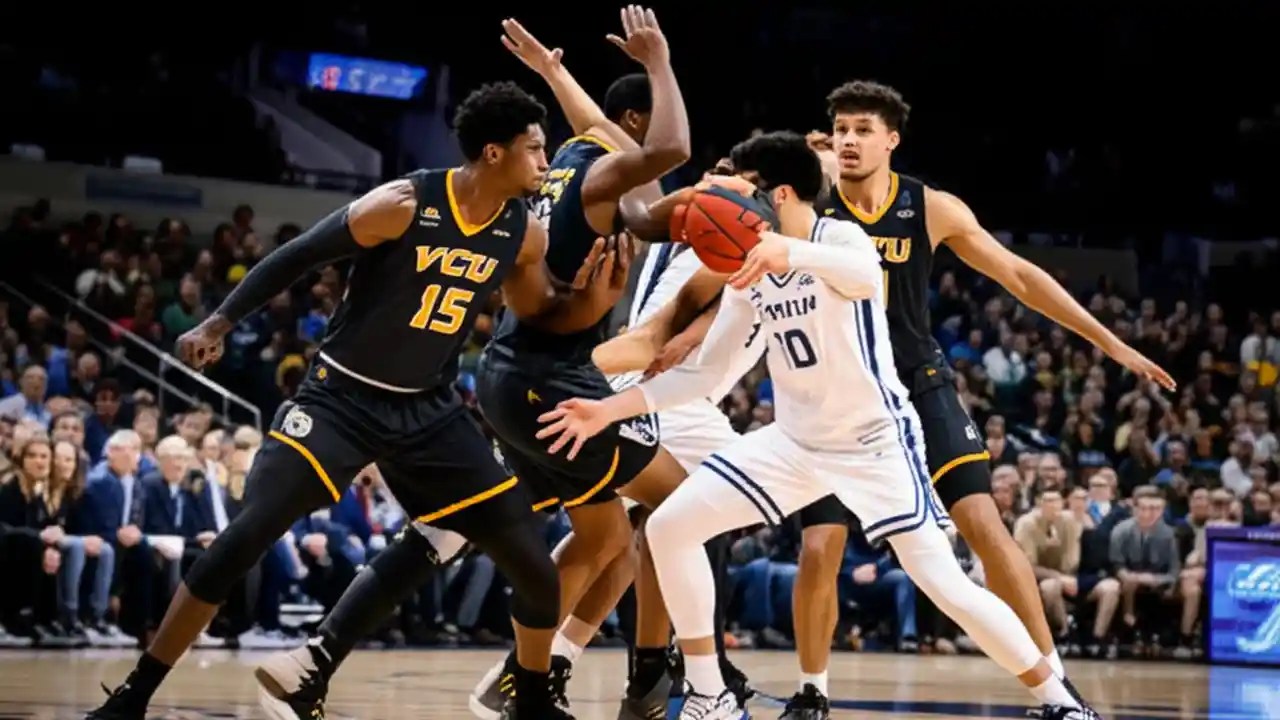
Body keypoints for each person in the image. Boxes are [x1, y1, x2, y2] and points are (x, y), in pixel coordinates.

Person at [604, 80, 1175, 718]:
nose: (846, 142)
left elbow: (1015, 274)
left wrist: (1109, 342)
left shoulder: (911, 212)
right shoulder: (800, 206)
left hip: (902, 391)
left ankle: (1058, 692)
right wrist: (657, 354)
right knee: (808, 543)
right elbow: (727, 288)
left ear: (892, 140)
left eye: (860, 131)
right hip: (809, 407)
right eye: (838, 131)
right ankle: (806, 690)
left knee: (975, 533)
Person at [87, 80, 627, 720]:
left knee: (533, 562)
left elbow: (540, 309)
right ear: (492, 153)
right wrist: (218, 323)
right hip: (340, 398)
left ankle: (530, 702)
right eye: (535, 150)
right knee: (245, 536)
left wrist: (593, 303)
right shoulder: (402, 203)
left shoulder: (523, 232)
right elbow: (298, 256)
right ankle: (135, 695)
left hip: (428, 410)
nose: (546, 163)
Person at [470, 8, 694, 719]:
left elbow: (603, 130)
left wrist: (553, 70)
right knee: (680, 505)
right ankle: (652, 677)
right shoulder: (603, 181)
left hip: (510, 373)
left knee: (607, 541)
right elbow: (671, 148)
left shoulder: (566, 163)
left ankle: (526, 681)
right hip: (552, 379)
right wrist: (661, 63)